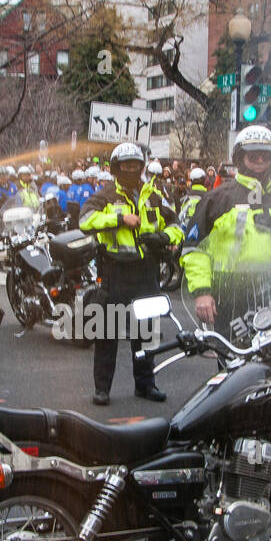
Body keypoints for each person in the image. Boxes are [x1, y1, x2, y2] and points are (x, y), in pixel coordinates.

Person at [182, 126, 271, 338]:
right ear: (240, 159)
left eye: (265, 157)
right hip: (231, 293)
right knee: (235, 361)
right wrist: (201, 292)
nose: (260, 161)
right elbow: (193, 250)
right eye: (253, 156)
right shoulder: (217, 199)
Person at [80, 142, 182, 406]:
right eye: (126, 166)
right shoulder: (104, 195)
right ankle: (102, 388)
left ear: (142, 167)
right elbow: (84, 221)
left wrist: (163, 237)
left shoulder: (154, 195)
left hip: (146, 271)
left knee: (146, 332)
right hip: (114, 271)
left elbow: (176, 226)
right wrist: (118, 219)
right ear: (116, 168)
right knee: (106, 332)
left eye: (136, 165)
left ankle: (146, 385)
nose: (131, 170)